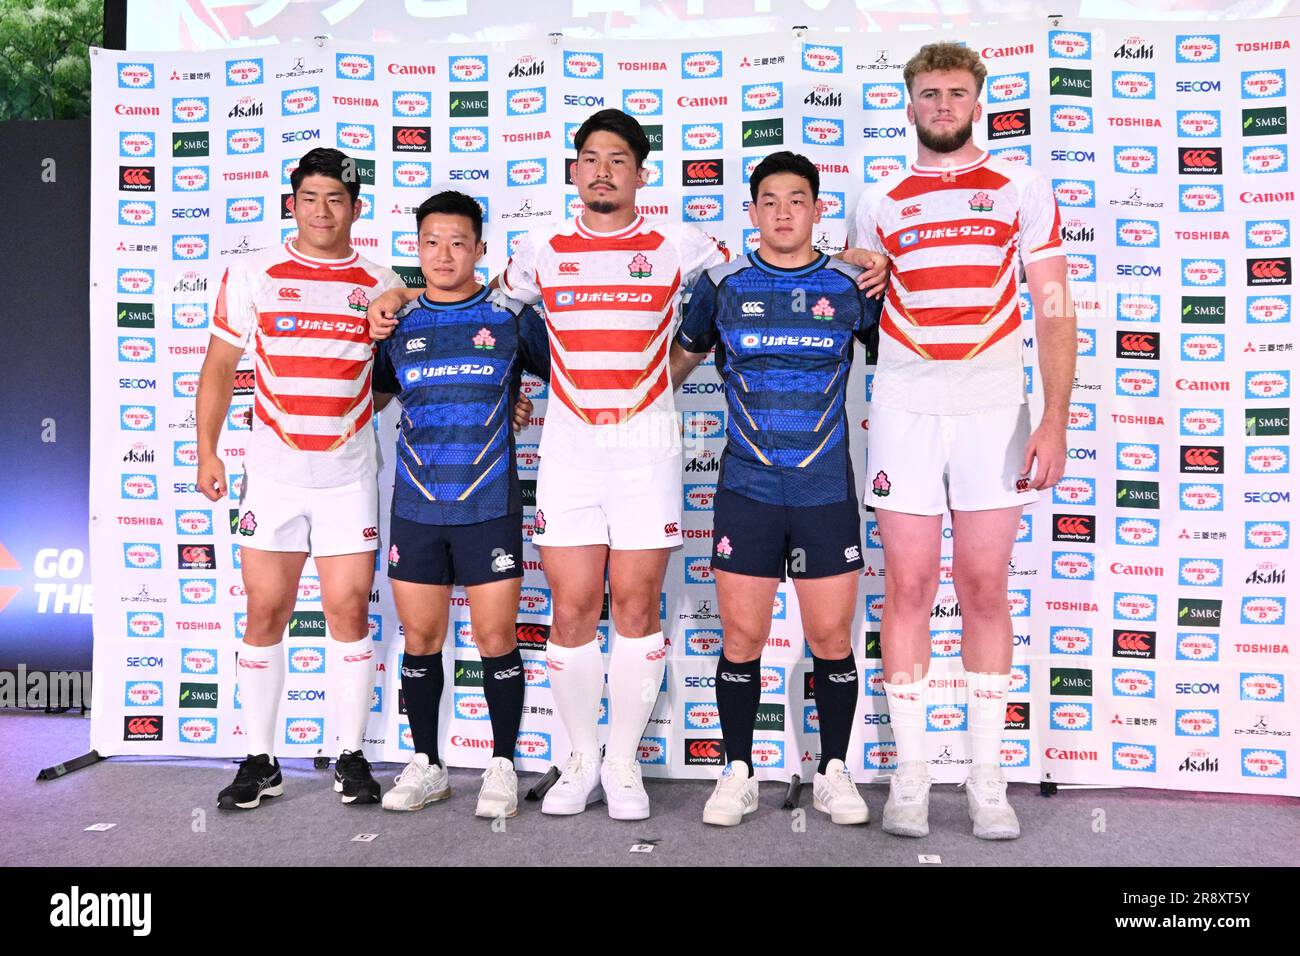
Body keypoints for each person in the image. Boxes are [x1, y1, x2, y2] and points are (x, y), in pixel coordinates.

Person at [370, 109, 729, 820]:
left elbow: (741, 291)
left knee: (633, 606)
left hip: (644, 447)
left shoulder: (678, 244)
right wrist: (402, 294)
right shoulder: (540, 251)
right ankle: (581, 760)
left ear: (640, 173)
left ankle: (623, 763)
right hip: (569, 447)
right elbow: (475, 302)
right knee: (570, 608)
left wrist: (673, 371)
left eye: (618, 160)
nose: (603, 171)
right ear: (574, 170)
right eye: (590, 158)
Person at [842, 42, 1074, 839]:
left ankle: (986, 777)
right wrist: (856, 267)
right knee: (905, 588)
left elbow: (1053, 306)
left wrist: (1054, 416)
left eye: (957, 92)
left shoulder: (1021, 186)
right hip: (903, 405)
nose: (942, 104)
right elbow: (861, 289)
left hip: (992, 410)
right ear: (908, 104)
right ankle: (909, 777)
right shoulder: (876, 197)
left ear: (979, 101)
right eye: (929, 92)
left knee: (982, 585)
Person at [670, 151, 882, 827]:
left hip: (823, 490)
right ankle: (737, 773)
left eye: (798, 200)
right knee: (741, 637)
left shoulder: (852, 283)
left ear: (818, 210)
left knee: (830, 639)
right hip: (746, 489)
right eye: (771, 200)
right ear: (754, 210)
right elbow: (678, 362)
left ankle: (834, 771)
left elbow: (900, 364)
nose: (784, 211)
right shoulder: (724, 283)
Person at [197, 147, 406, 809]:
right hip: (273, 475)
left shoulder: (380, 279)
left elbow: (392, 375)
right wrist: (208, 451)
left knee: (347, 611)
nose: (323, 211)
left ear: (356, 207)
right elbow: (220, 367)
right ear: (293, 202)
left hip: (347, 476)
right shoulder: (254, 272)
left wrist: (344, 418)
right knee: (265, 611)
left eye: (336, 199)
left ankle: (351, 756)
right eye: (310, 198)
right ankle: (259, 758)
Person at [369, 190, 549, 818]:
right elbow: (379, 400)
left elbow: (572, 379)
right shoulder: (397, 324)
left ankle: (501, 762)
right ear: (417, 249)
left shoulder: (509, 319)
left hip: (488, 503)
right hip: (417, 505)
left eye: (457, 242)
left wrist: (515, 406)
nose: (443, 254)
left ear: (479, 248)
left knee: (496, 636)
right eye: (430, 242)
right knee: (421, 638)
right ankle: (428, 765)